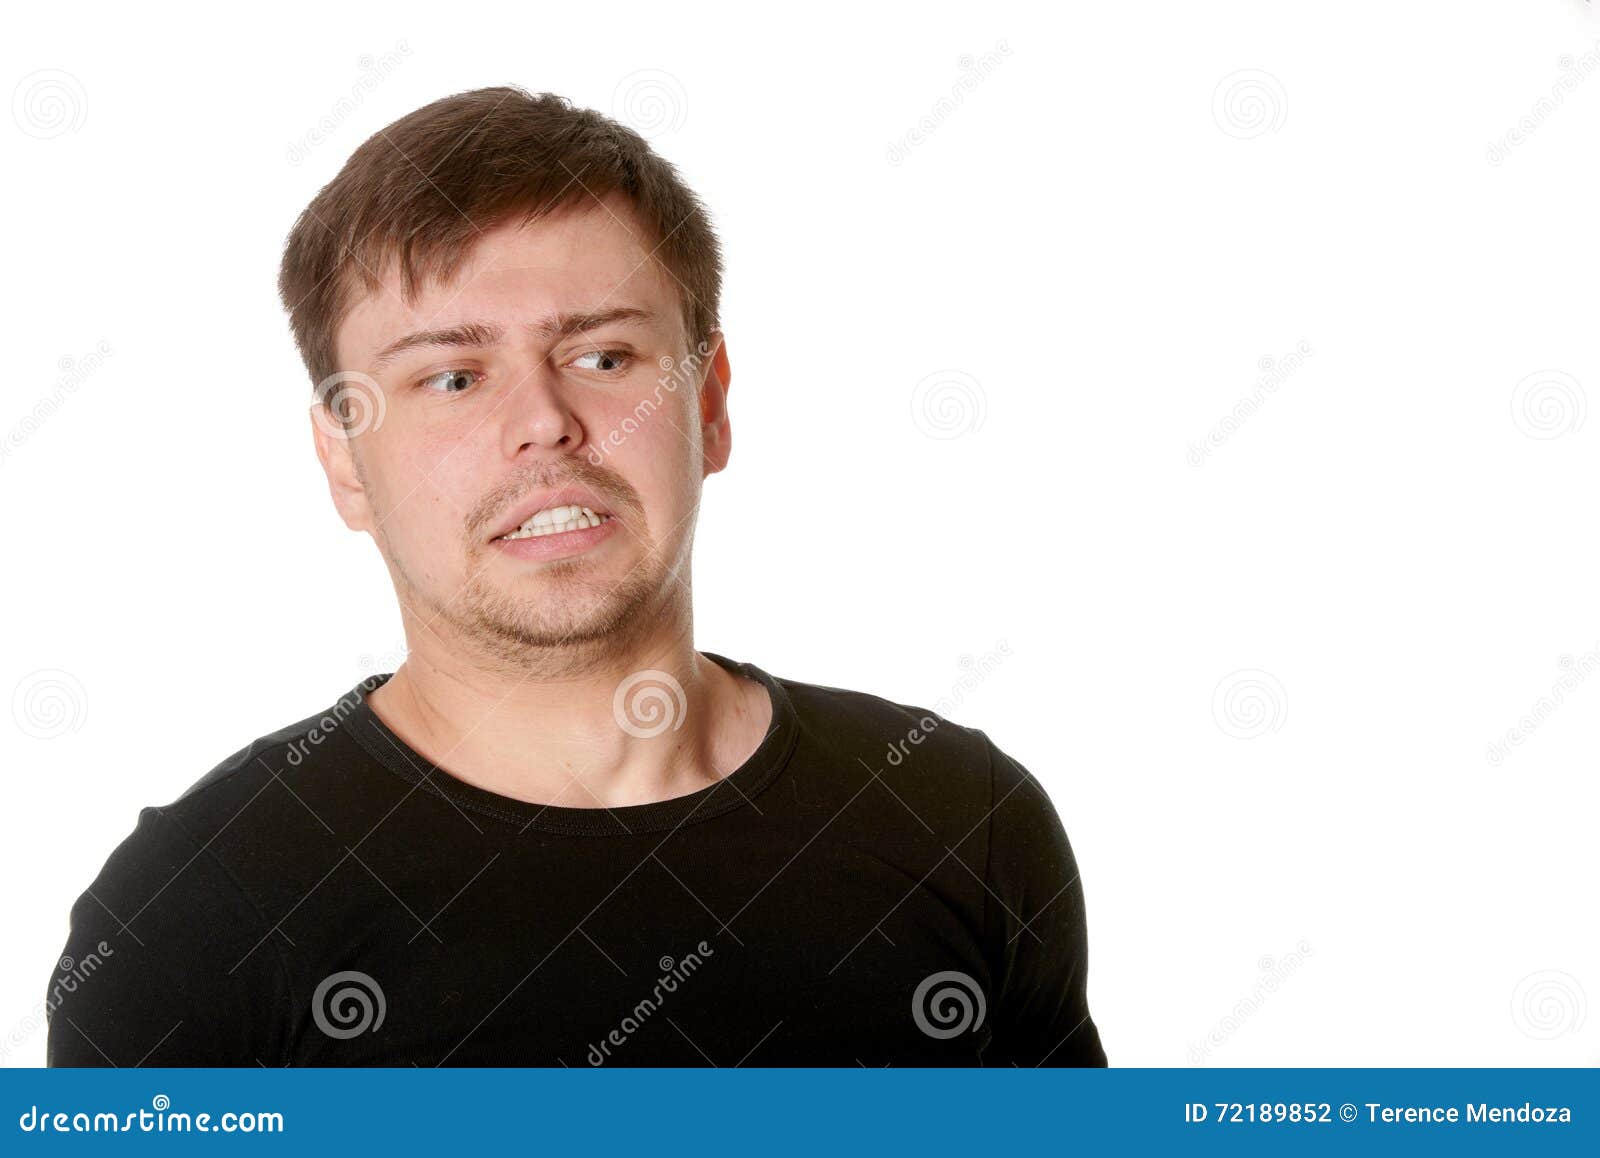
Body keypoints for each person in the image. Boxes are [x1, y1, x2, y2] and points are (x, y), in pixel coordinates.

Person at [45, 86, 1106, 1067]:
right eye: (451, 377)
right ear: (343, 460)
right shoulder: (194, 913)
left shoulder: (957, 819)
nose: (544, 422)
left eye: (601, 357)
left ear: (709, 401)